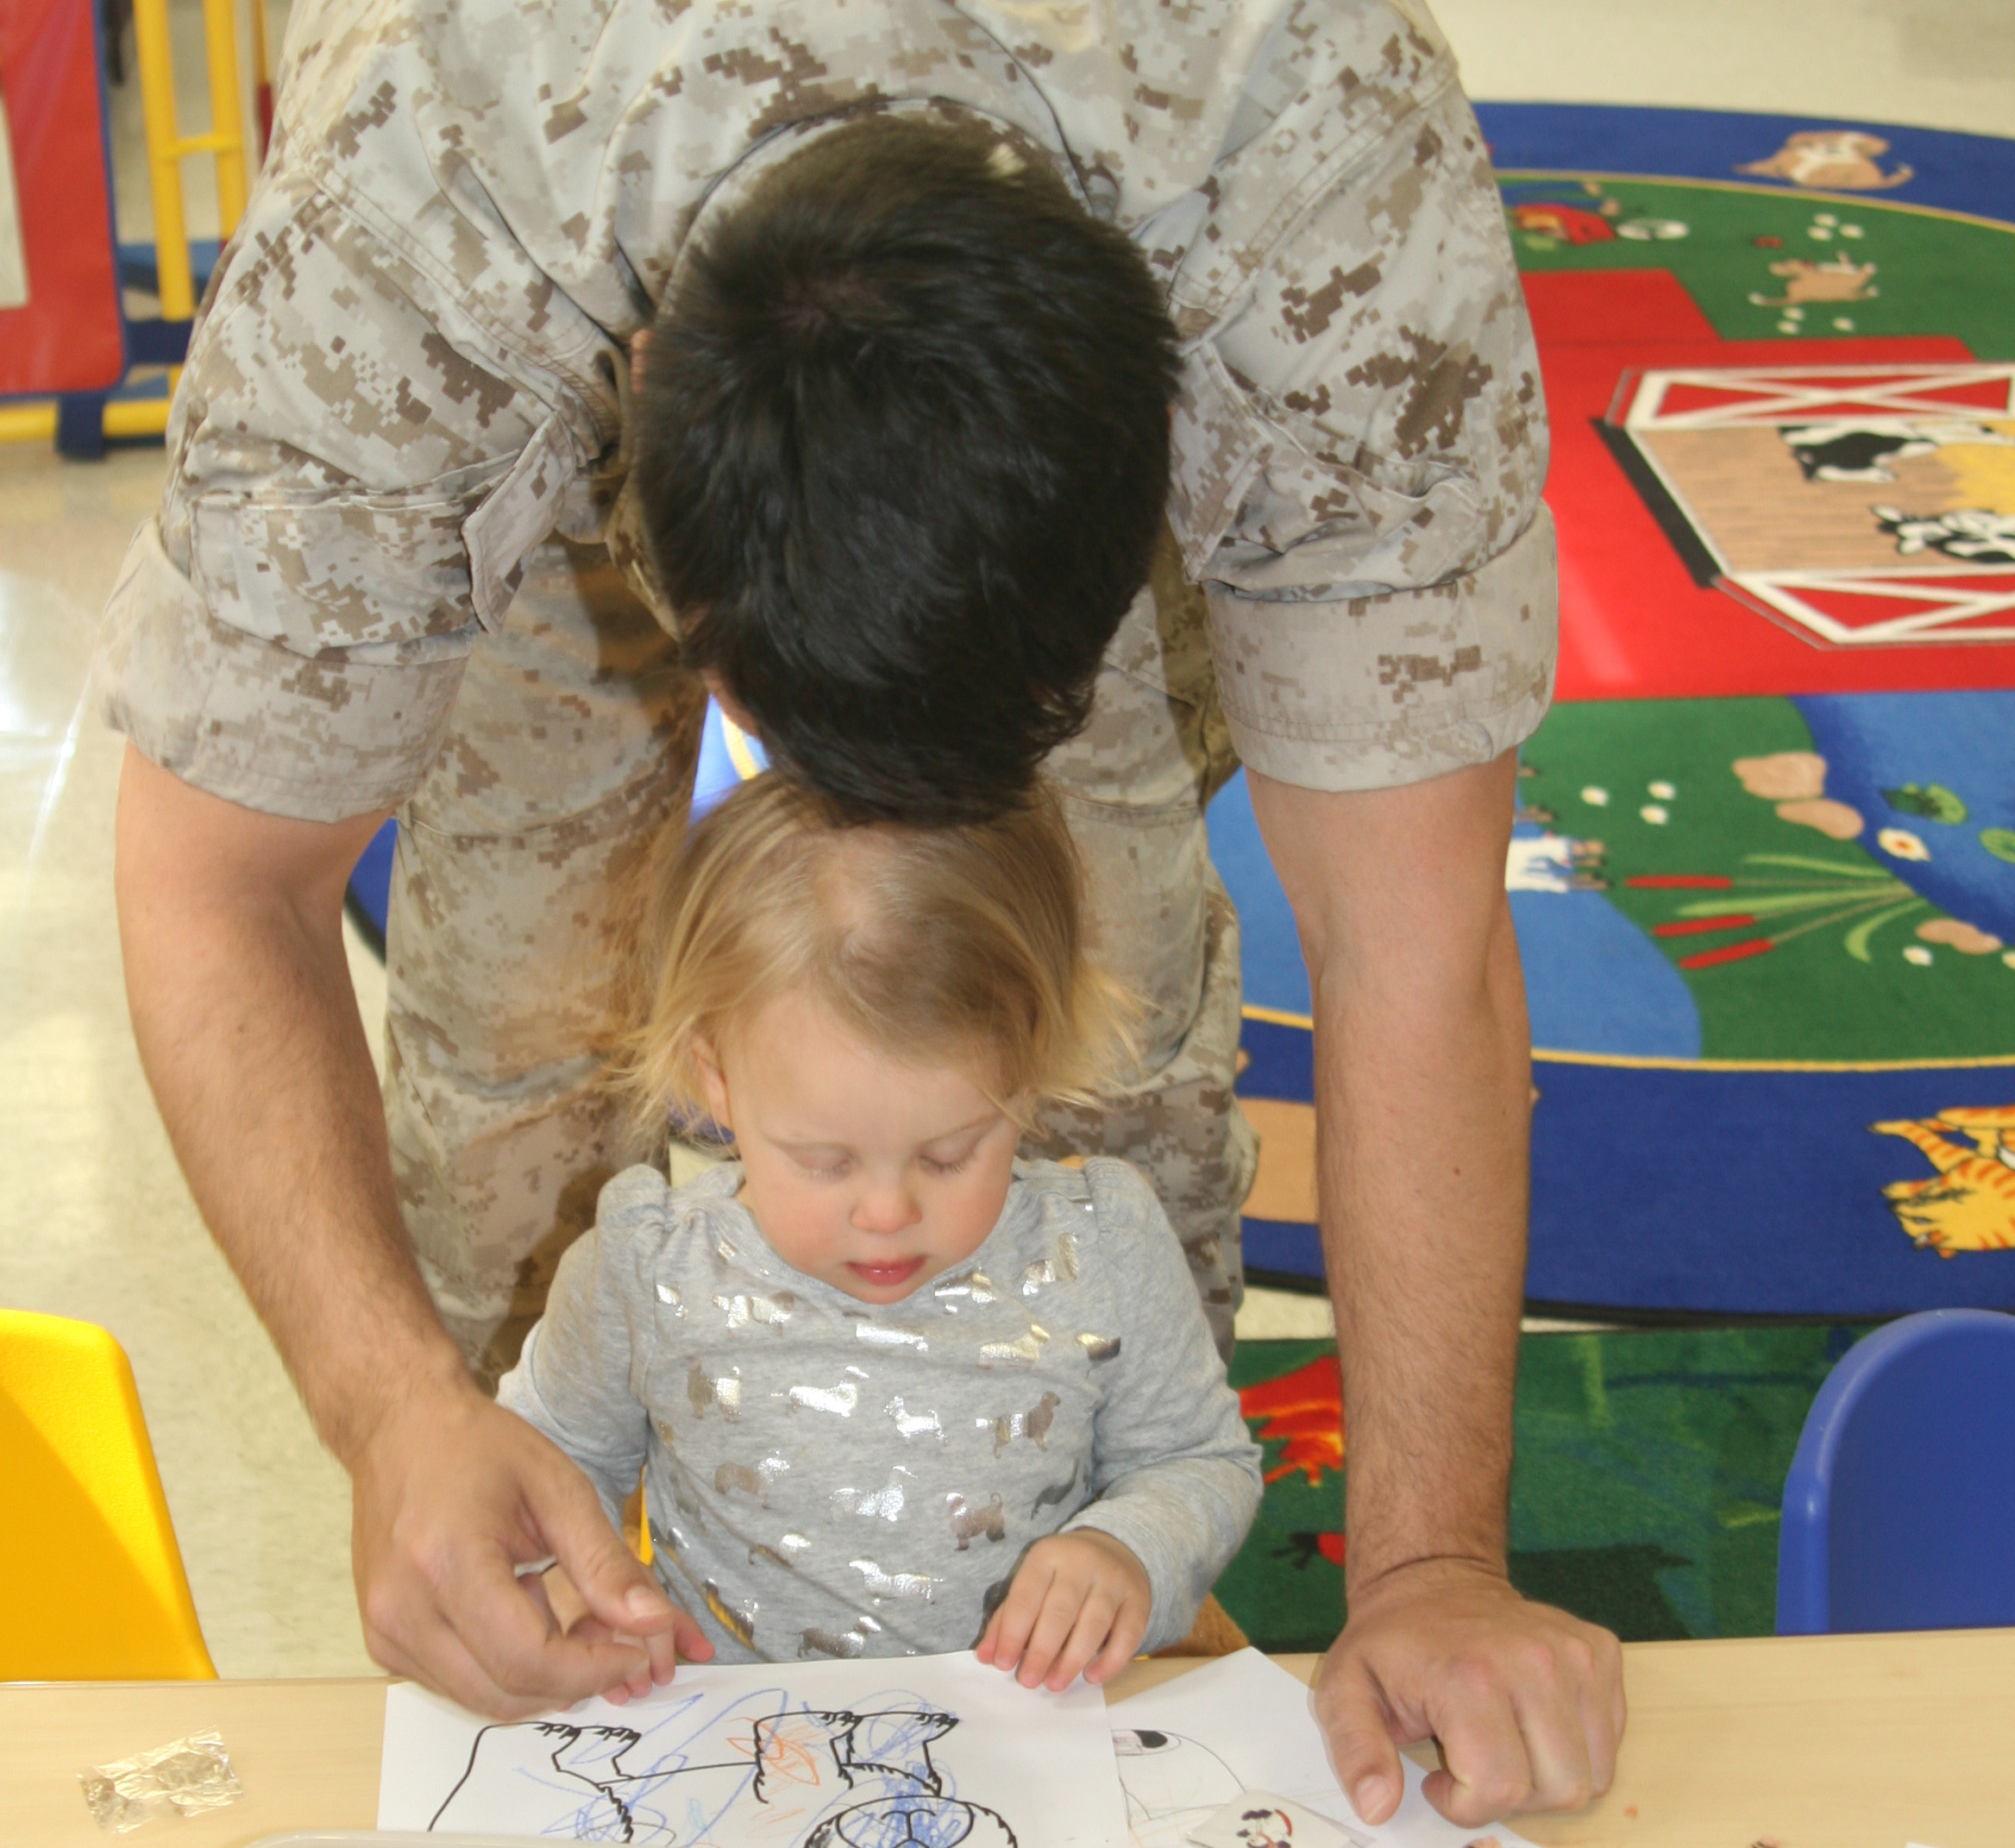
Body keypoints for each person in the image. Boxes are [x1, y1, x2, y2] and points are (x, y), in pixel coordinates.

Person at [100, 0, 1623, 1825]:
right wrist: (391, 1409)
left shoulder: (1313, 150)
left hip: (1129, 254)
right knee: (508, 1090)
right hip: (531, 278)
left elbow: (1415, 935)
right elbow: (218, 885)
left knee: (1100, 1069)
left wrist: (1428, 1564)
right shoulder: (425, 206)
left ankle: (1090, 1683)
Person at [498, 772, 1263, 1688]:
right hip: (742, 1754)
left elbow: (1199, 1463)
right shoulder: (647, 1273)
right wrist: (576, 1589)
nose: (887, 1213)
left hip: (1026, 1752)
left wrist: (1128, 1551)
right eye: (822, 1162)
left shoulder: (1103, 1250)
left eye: (947, 1154)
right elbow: (545, 1465)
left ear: (1025, 1069)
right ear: (716, 1078)